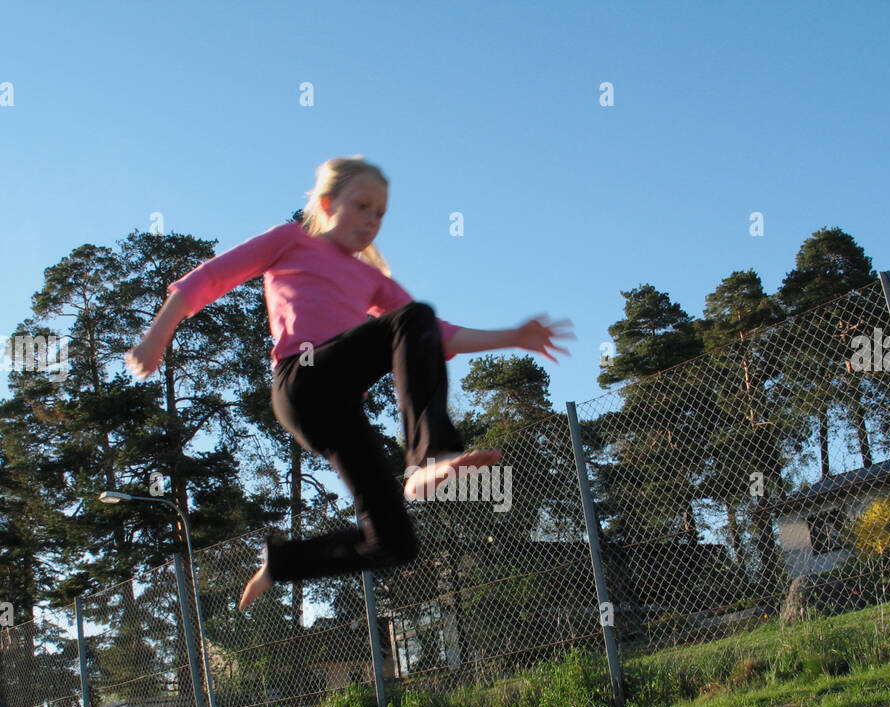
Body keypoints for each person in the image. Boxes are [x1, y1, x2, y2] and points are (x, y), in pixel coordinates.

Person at [125, 156, 572, 610]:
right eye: (362, 206)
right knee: (411, 317)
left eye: (380, 213)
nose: (372, 220)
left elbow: (436, 335)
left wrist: (514, 336)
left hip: (337, 414)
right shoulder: (289, 240)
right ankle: (429, 455)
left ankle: (282, 563)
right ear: (327, 203)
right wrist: (157, 334)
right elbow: (211, 278)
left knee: (394, 542)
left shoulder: (371, 279)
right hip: (303, 379)